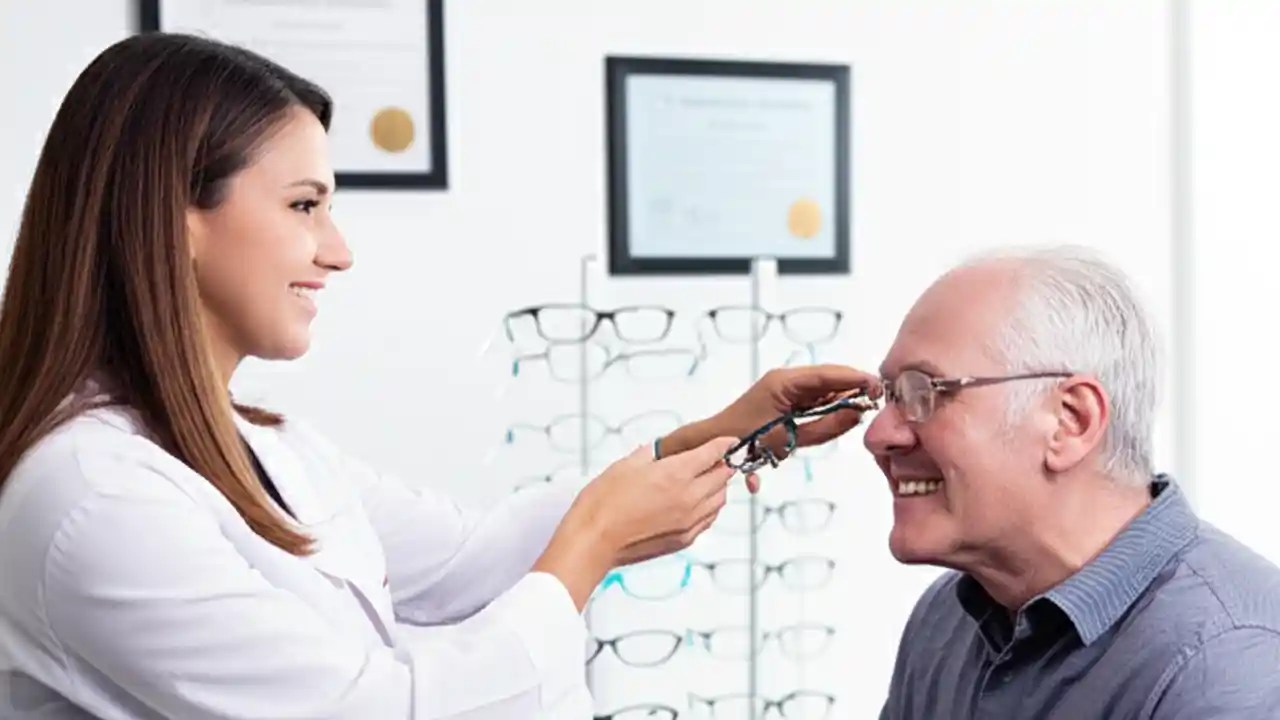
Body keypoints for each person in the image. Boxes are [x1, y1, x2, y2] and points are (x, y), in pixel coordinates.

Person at [0, 33, 877, 720]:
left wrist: (729, 434)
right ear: (173, 215)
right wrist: (594, 545)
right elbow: (370, 712)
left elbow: (470, 561)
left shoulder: (263, 446)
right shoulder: (92, 497)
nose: (337, 252)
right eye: (305, 206)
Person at [867, 246, 1280, 719]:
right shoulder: (947, 620)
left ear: (1071, 421)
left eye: (925, 392)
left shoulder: (1226, 668)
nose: (879, 435)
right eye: (889, 395)